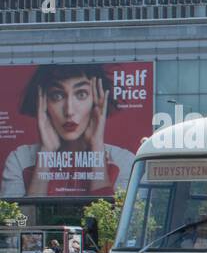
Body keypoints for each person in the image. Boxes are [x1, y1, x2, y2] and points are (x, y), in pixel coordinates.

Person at [1, 65, 135, 198]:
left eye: (81, 94)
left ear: (97, 101)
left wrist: (97, 151)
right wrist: (46, 153)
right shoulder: (20, 159)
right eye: (57, 95)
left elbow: (109, 219)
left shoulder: (123, 161)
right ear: (43, 103)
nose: (69, 111)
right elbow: (23, 219)